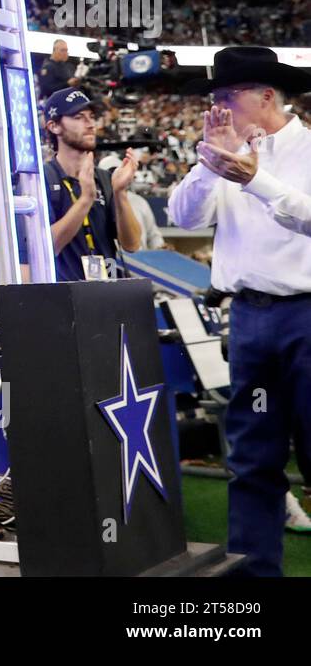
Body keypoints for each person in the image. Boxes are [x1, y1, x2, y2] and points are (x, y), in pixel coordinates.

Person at [167, 45, 311, 576]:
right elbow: (184, 214)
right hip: (249, 319)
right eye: (215, 98)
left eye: (228, 96)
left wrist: (254, 178)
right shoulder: (220, 151)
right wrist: (210, 166)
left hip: (306, 317)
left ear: (266, 96)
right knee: (251, 459)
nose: (218, 108)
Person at [42, 87, 141, 281]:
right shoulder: (43, 179)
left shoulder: (104, 178)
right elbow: (46, 247)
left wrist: (120, 192)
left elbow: (132, 244)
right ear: (54, 126)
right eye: (79, 117)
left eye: (91, 116)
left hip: (106, 294)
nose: (90, 124)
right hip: (63, 298)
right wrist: (86, 199)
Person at [99, 153, 164, 250]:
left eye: (117, 171)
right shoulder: (95, 203)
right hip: (109, 260)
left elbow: (153, 235)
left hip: (139, 259)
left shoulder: (139, 201)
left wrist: (160, 248)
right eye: (109, 173)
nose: (114, 177)